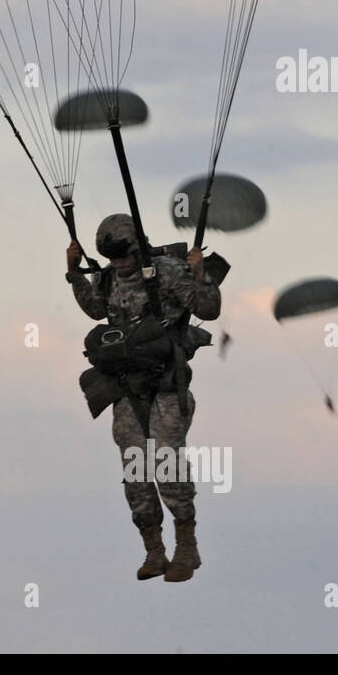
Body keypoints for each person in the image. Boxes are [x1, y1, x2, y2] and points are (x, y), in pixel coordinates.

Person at [67, 213, 221, 582]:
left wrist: (200, 274)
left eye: (124, 256)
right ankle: (154, 549)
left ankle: (187, 545)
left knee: (166, 461)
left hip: (167, 383)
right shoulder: (107, 278)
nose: (118, 264)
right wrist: (74, 273)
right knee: (136, 471)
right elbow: (96, 309)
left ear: (138, 248)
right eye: (112, 258)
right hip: (127, 386)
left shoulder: (165, 271)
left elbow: (208, 310)